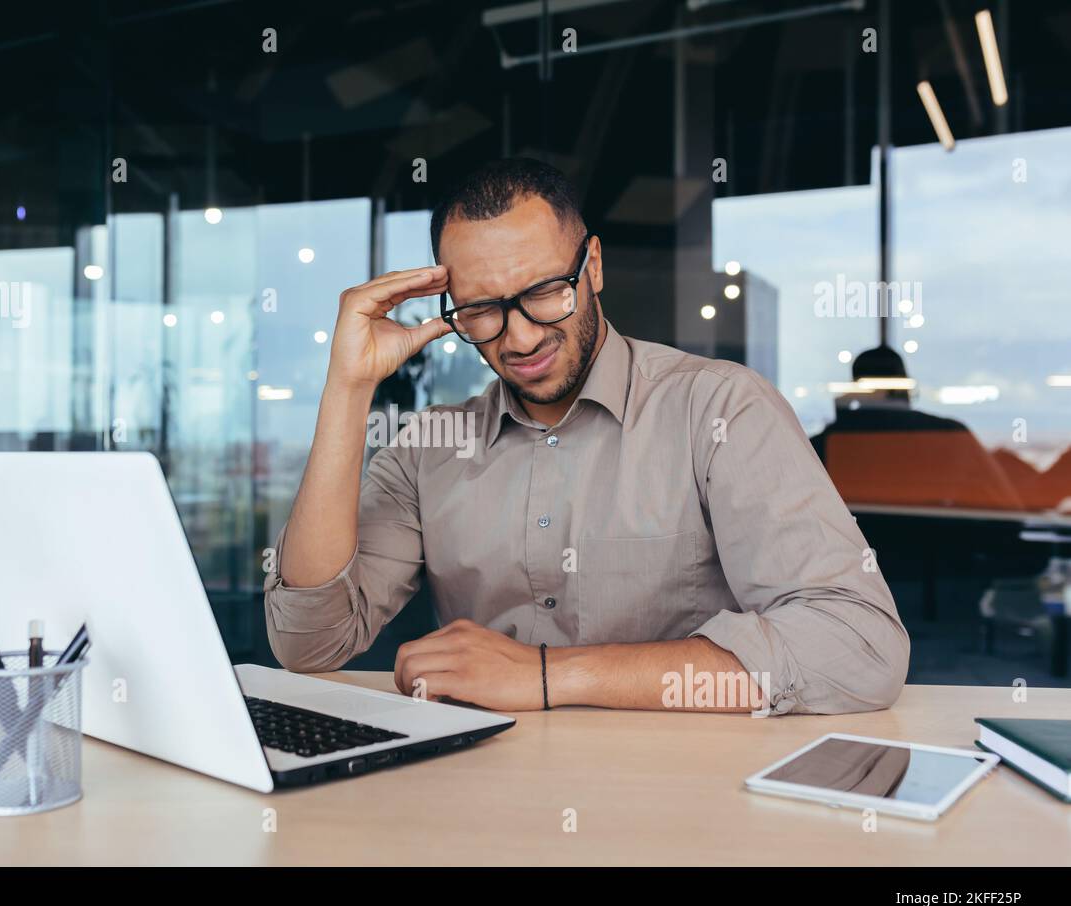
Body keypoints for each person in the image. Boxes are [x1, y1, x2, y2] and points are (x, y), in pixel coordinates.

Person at [263, 158, 909, 715]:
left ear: (592, 265)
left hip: (685, 802)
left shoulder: (720, 409)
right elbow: (309, 644)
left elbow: (857, 647)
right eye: (480, 309)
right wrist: (349, 389)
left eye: (544, 292)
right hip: (485, 798)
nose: (517, 338)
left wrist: (548, 676)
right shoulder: (430, 448)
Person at [811, 346, 1023, 511]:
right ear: (905, 385)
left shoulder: (827, 445)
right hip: (939, 560)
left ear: (855, 388)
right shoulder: (949, 435)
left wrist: (843, 420)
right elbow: (1004, 509)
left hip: (851, 561)